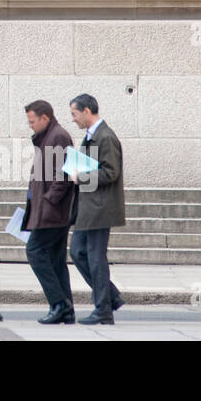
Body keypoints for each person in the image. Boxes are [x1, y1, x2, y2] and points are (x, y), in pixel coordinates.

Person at [68, 93, 126, 325]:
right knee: (78, 252)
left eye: (74, 114)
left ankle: (103, 309)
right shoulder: (93, 136)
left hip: (100, 208)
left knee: (95, 258)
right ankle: (110, 297)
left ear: (87, 111)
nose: (73, 119)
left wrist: (80, 176)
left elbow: (111, 172)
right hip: (89, 207)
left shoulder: (105, 137)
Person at [20, 99, 76, 324]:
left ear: (45, 118)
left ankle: (59, 303)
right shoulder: (48, 137)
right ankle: (66, 309)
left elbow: (64, 175)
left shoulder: (58, 136)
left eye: (32, 121)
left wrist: (49, 200)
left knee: (34, 251)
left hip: (52, 214)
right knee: (55, 260)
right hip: (49, 211)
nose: (30, 125)